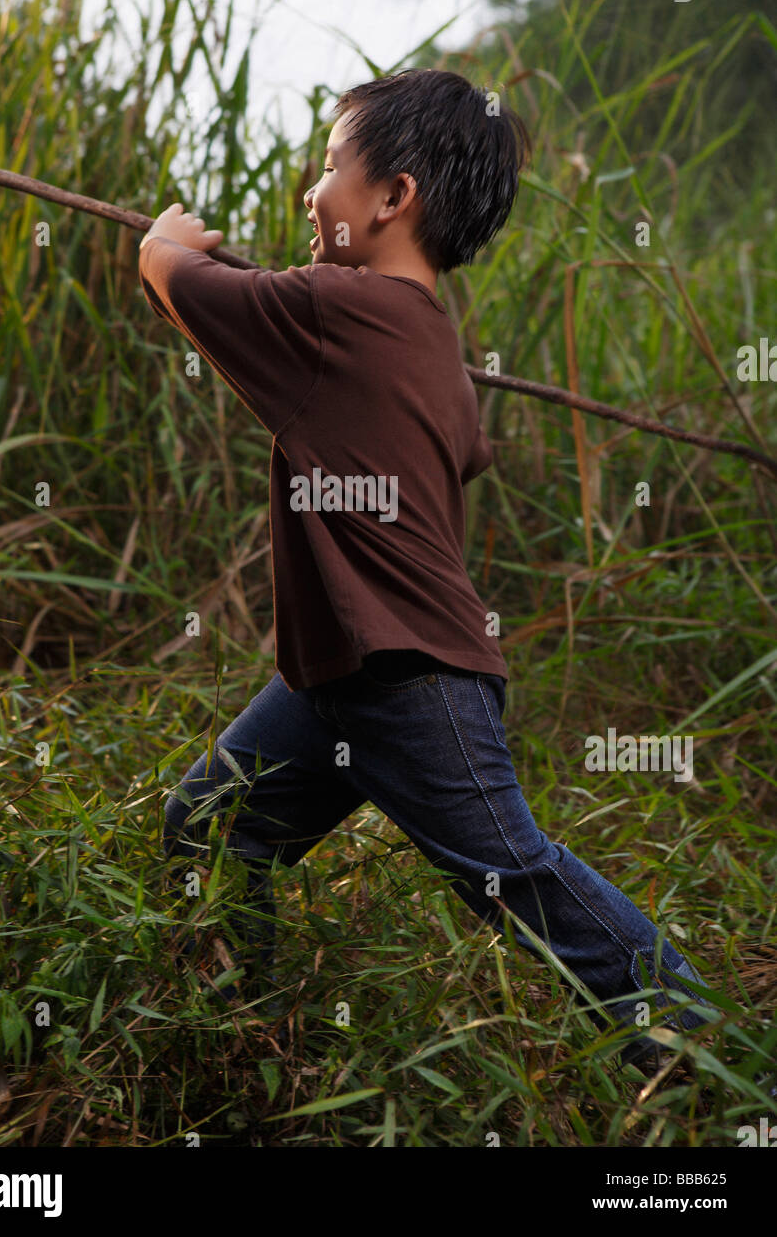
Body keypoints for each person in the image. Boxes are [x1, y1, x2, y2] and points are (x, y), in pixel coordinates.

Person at [137, 67, 712, 1072]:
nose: (309, 194)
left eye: (326, 170)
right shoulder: (427, 343)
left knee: (515, 875)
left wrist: (165, 243)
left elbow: (174, 279)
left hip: (409, 680)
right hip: (334, 684)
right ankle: (247, 1050)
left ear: (393, 196)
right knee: (211, 827)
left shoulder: (333, 313)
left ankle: (710, 1048)